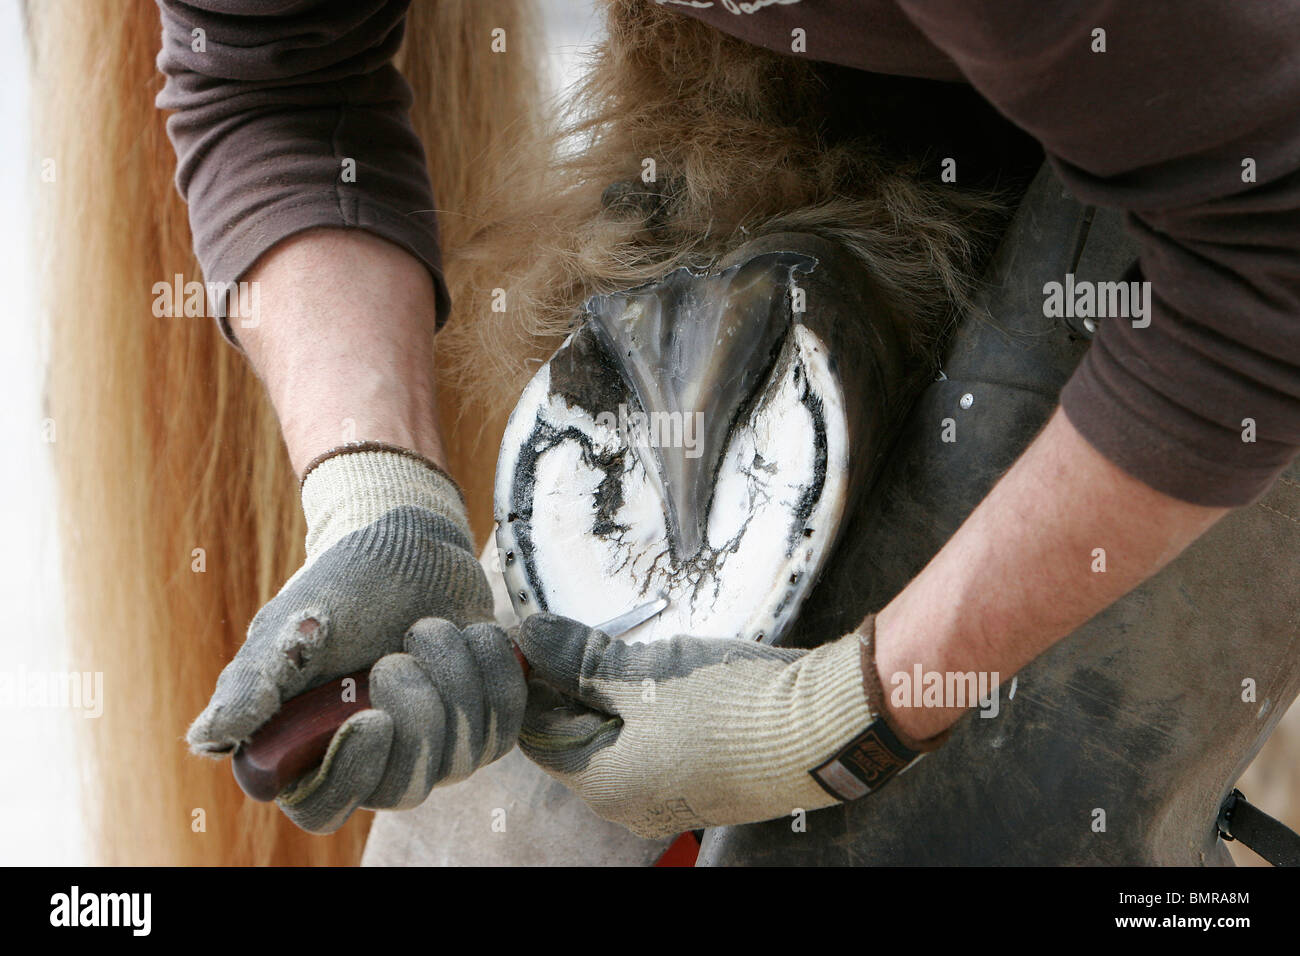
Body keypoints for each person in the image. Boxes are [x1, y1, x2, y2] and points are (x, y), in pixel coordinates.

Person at [156, 0, 1300, 857]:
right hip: (829, 67)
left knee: (961, 827)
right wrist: (378, 503)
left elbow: (1267, 260)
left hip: (1249, 173)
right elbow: (270, 77)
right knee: (499, 841)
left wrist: (853, 712)